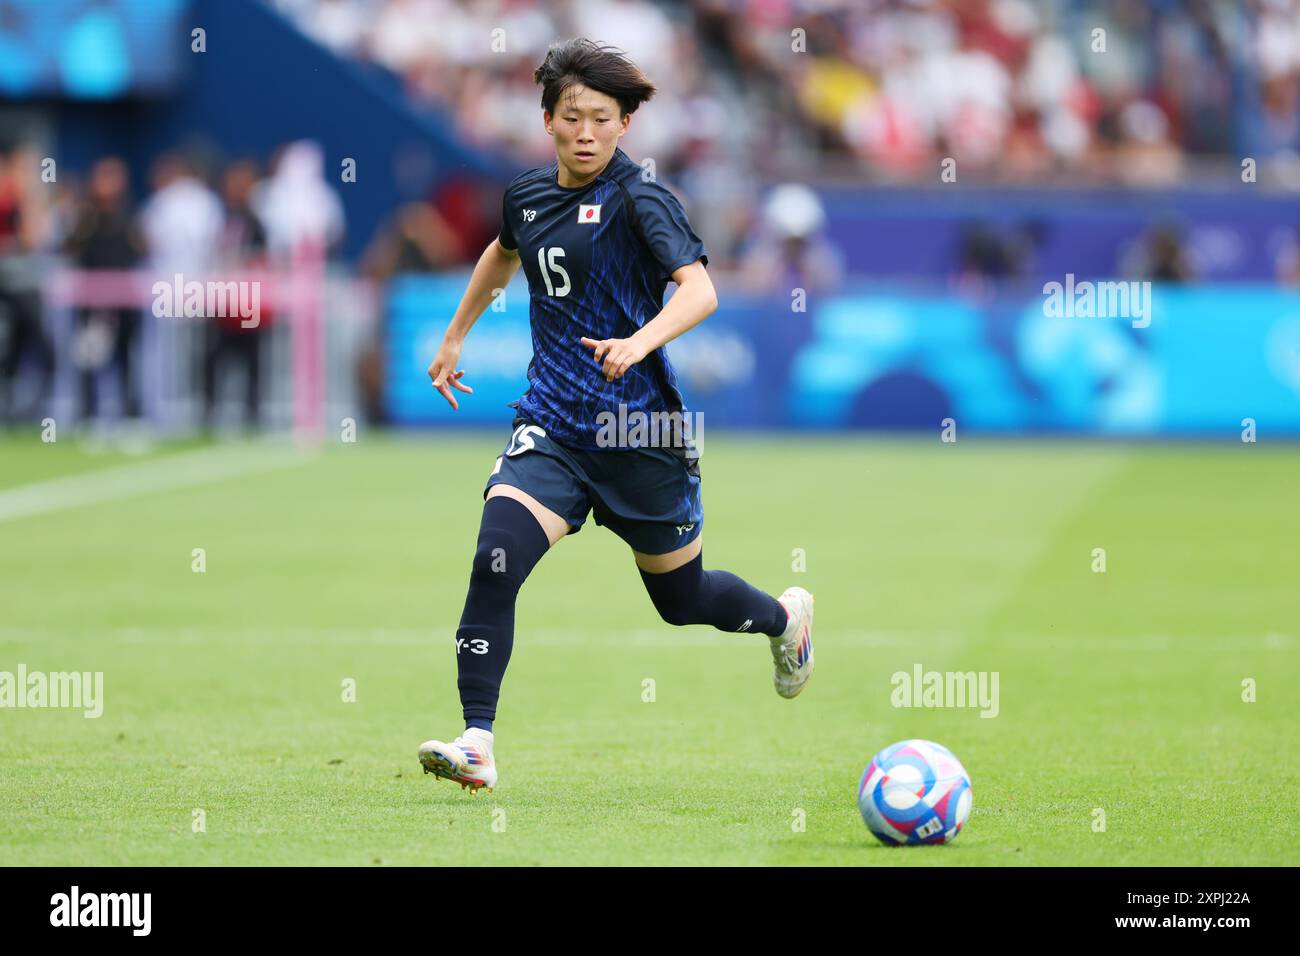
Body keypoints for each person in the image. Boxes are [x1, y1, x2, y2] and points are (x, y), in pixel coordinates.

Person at [419, 39, 815, 794]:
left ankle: (781, 619)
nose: (587, 132)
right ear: (548, 121)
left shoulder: (643, 200)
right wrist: (455, 333)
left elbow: (699, 291)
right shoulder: (528, 196)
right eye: (573, 117)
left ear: (624, 125)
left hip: (640, 433)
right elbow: (503, 254)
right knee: (492, 560)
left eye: (603, 118)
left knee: (681, 600)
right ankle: (477, 740)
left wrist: (638, 342)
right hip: (554, 428)